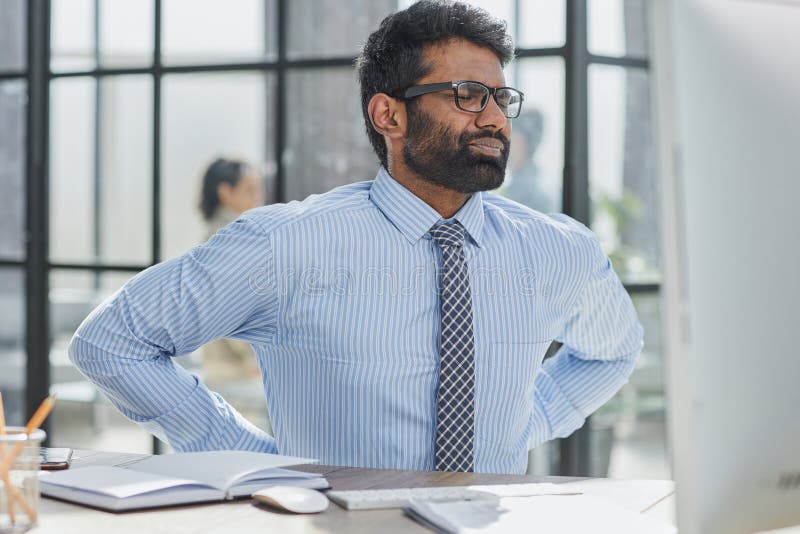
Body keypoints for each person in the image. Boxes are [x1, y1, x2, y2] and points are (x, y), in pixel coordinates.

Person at [69, 0, 642, 475]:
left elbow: (612, 350)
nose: (494, 119)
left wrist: (528, 423)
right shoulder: (286, 244)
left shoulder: (560, 249)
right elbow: (112, 342)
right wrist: (253, 462)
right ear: (388, 114)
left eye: (500, 97)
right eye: (467, 94)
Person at [196, 158, 268, 430]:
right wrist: (254, 358)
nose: (258, 198)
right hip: (233, 370)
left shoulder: (218, 235)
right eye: (250, 190)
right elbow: (228, 307)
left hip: (227, 367)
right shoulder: (226, 238)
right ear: (225, 192)